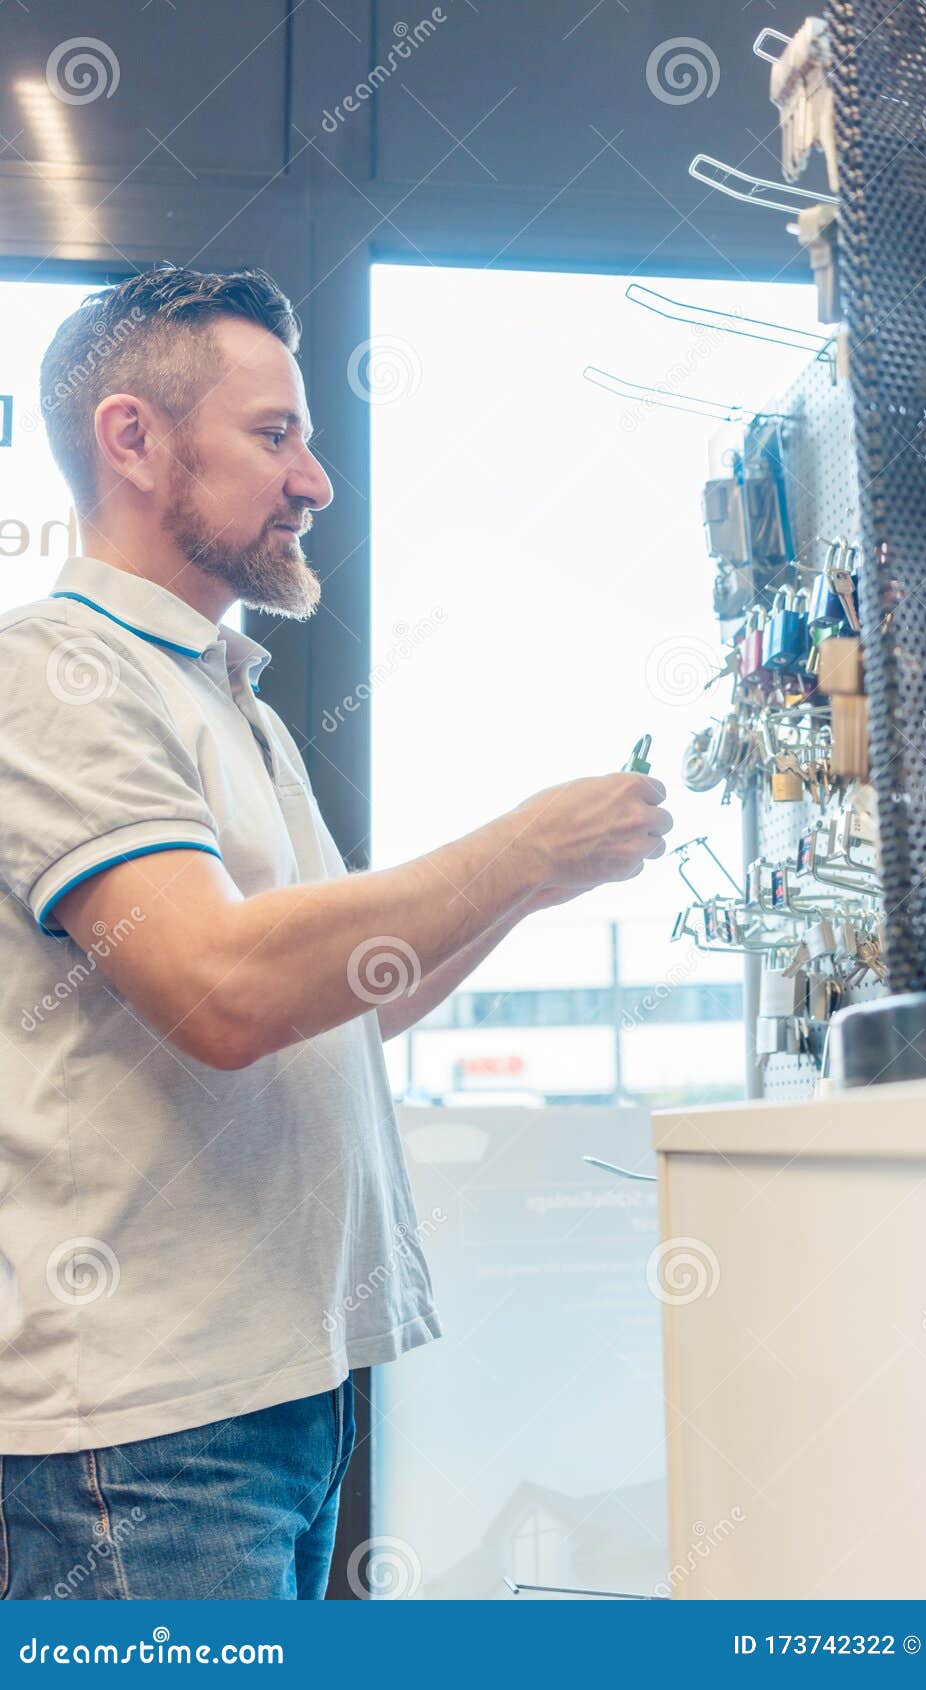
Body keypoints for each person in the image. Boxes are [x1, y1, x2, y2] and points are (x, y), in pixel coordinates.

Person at [0, 265, 672, 1599]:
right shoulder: (55, 674)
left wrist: (536, 884)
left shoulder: (228, 698)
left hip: (279, 1398)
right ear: (132, 439)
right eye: (275, 436)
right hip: (144, 1431)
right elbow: (220, 988)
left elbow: (349, 999)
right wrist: (521, 843)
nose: (314, 480)